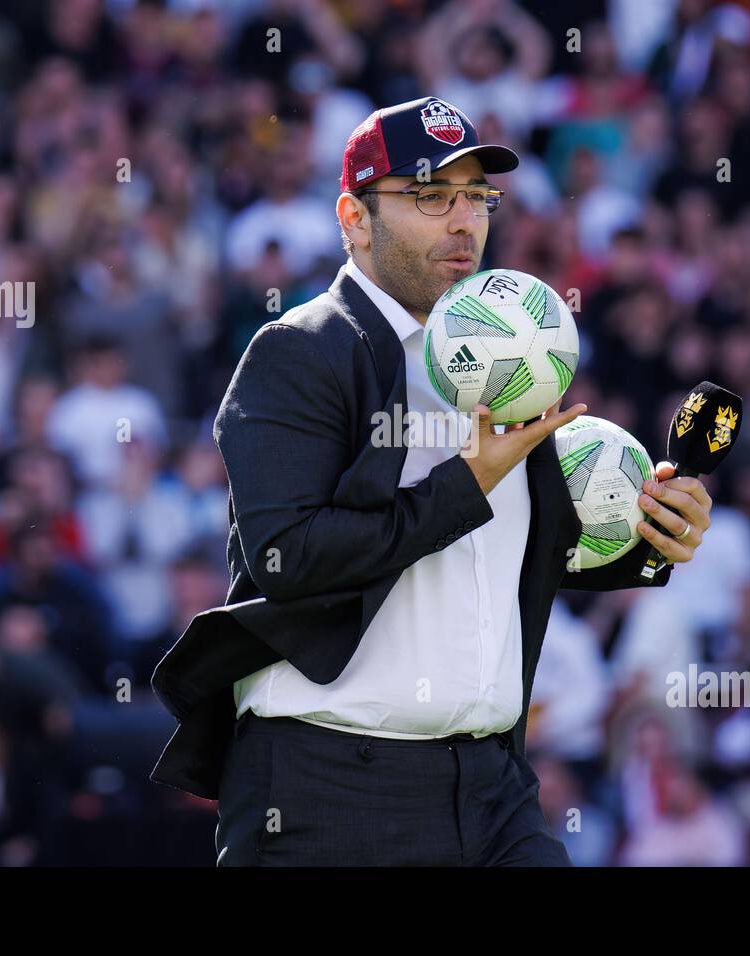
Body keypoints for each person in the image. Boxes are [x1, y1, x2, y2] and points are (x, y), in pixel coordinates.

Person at [149, 96, 713, 867]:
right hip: (329, 791)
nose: (463, 220)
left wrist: (650, 533)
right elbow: (288, 557)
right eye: (429, 196)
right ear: (353, 218)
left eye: (476, 197)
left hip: (494, 786)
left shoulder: (516, 352)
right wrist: (465, 483)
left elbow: (506, 555)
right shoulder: (300, 352)